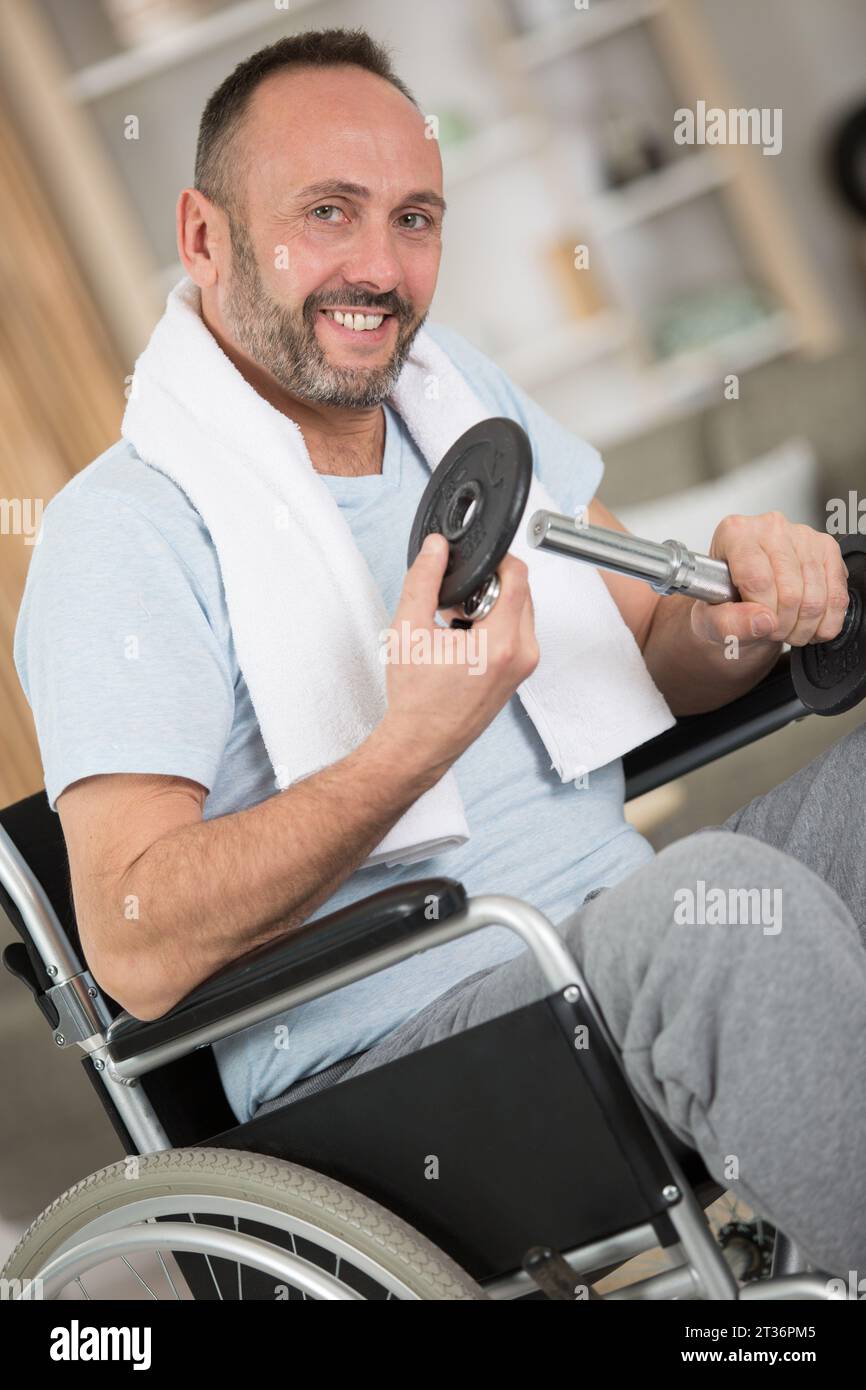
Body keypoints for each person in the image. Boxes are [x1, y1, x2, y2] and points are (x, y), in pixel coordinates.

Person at [13, 29, 866, 1277]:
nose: (378, 266)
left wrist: (730, 612)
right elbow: (135, 947)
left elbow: (655, 649)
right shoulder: (123, 532)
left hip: (605, 942)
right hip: (403, 1066)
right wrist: (409, 746)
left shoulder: (456, 395)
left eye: (413, 218)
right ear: (204, 237)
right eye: (326, 212)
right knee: (710, 921)